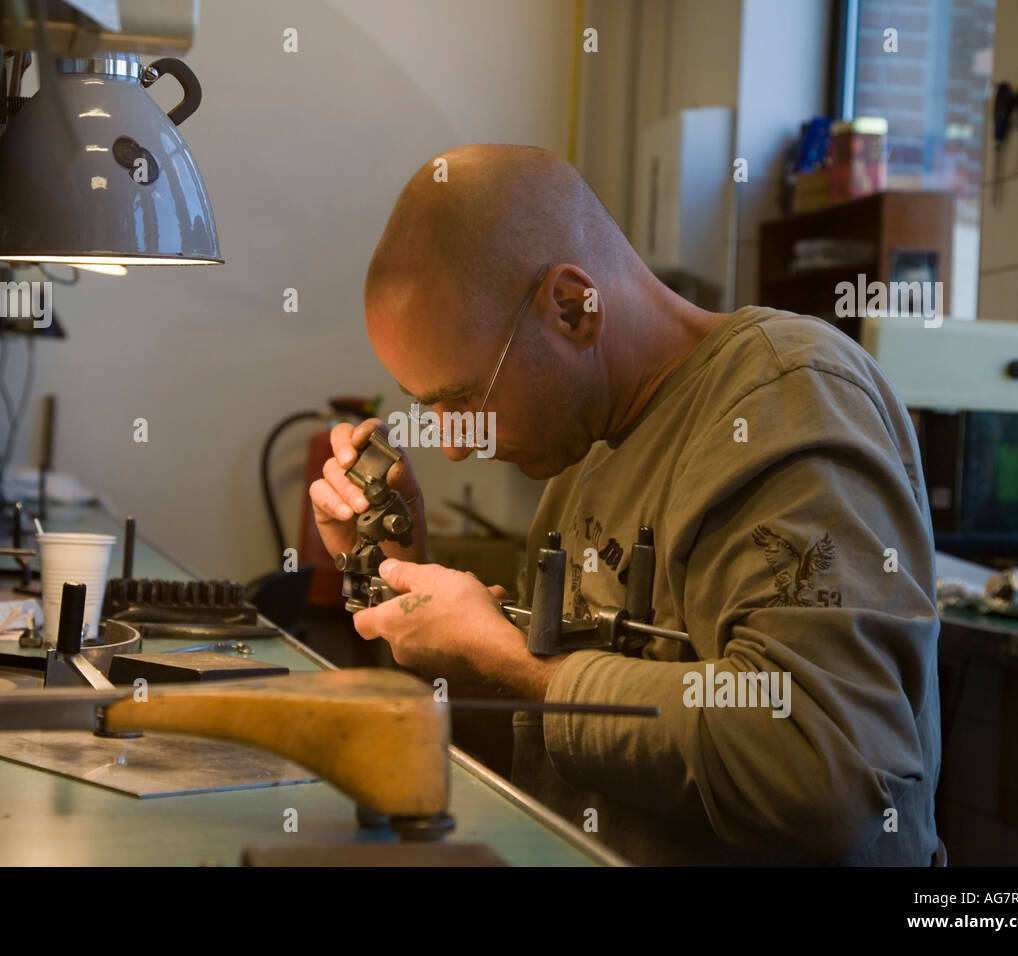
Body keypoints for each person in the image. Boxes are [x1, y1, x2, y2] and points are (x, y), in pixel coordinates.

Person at [308, 143, 942, 866]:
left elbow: (830, 774)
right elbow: (548, 744)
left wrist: (513, 659)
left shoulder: (791, 396)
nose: (454, 446)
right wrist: (409, 586)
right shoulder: (584, 460)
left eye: (464, 399)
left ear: (574, 308)